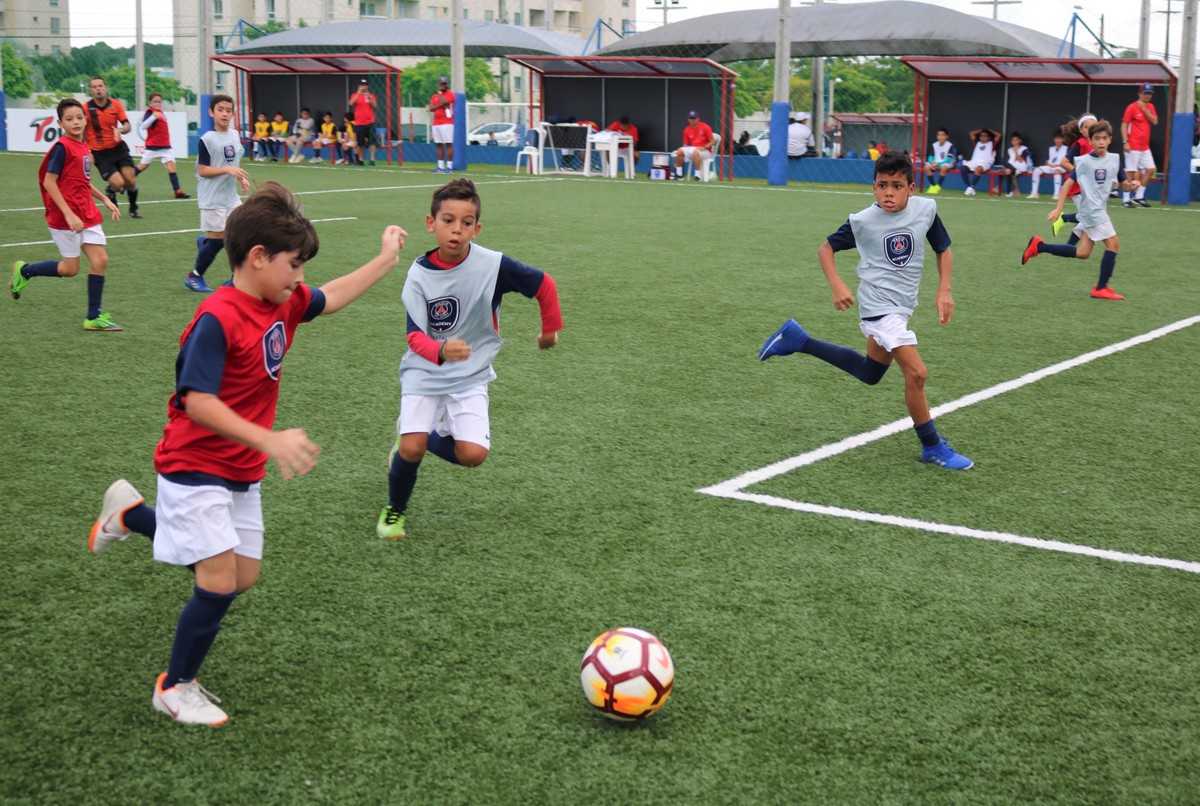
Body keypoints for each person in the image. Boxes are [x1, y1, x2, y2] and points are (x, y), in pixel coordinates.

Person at [87, 181, 408, 726]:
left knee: (241, 576)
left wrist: (384, 260)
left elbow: (330, 297)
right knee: (216, 582)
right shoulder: (218, 317)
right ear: (258, 257)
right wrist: (269, 439)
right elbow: (196, 401)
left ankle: (130, 515)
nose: (300, 278)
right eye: (294, 265)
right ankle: (174, 686)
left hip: (240, 469)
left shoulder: (282, 299)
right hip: (193, 463)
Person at [759, 151, 972, 471]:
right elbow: (825, 249)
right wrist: (837, 285)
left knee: (870, 372)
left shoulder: (926, 210)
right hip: (878, 307)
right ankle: (932, 446)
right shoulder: (862, 221)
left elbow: (943, 248)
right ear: (873, 187)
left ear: (911, 188)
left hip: (901, 307)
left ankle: (798, 340)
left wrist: (944, 289)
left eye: (897, 186)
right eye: (882, 185)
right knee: (917, 374)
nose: (889, 193)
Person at [377, 178, 563, 539]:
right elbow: (414, 336)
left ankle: (418, 436)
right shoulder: (418, 275)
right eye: (448, 220)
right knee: (412, 449)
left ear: (476, 229)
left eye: (466, 223)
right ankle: (395, 509)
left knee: (473, 454)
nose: (456, 230)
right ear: (431, 223)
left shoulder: (493, 266)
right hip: (424, 371)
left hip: (471, 373)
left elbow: (544, 285)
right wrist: (441, 350)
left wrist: (549, 331)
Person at [9, 98, 124, 331]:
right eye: (69, 119)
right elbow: (49, 182)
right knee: (70, 270)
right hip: (65, 218)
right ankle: (25, 271)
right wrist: (69, 214)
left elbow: (82, 181)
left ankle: (93, 317)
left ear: (85, 120)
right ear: (60, 123)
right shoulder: (62, 148)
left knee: (100, 260)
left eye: (79, 117)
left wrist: (104, 199)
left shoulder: (84, 147)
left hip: (86, 213)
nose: (76, 122)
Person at [1021, 119, 1138, 301]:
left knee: (1083, 252)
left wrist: (1132, 185)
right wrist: (1059, 209)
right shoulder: (1084, 162)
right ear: (1090, 141)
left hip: (1096, 210)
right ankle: (1101, 288)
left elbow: (1125, 186)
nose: (1101, 142)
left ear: (1110, 139)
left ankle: (1039, 246)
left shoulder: (1114, 160)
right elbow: (1067, 185)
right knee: (1113, 244)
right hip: (1092, 211)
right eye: (1097, 138)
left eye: (1104, 138)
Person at [184, 94, 249, 294]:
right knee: (219, 241)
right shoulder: (207, 139)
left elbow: (232, 163)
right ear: (211, 112)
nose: (225, 114)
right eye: (220, 110)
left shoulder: (235, 135)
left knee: (243, 232)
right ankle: (194, 276)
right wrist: (227, 170)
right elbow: (202, 170)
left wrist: (240, 177)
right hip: (212, 198)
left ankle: (235, 278)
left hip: (230, 196)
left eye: (228, 110)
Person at [85, 75, 141, 219]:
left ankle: (133, 208)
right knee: (119, 184)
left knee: (131, 179)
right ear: (91, 91)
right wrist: (86, 150)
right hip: (100, 154)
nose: (98, 89)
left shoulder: (115, 104)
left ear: (105, 88)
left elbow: (127, 125)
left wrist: (120, 130)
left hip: (118, 148)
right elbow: (80, 131)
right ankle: (111, 189)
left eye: (100, 86)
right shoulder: (85, 108)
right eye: (95, 87)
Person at [135, 92, 190, 199]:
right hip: (153, 147)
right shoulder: (150, 112)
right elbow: (143, 126)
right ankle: (123, 182)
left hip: (165, 147)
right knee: (142, 166)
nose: (157, 103)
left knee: (171, 166)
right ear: (150, 103)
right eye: (155, 101)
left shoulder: (161, 113)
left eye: (159, 101)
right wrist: (153, 117)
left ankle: (177, 191)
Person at [1050, 114, 1096, 240]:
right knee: (1088, 216)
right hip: (1078, 186)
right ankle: (1064, 219)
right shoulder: (1080, 144)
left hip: (1089, 187)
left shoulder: (1096, 144)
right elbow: (1064, 162)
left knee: (1087, 217)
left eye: (1092, 126)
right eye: (1086, 127)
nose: (1090, 129)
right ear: (1081, 130)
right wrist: (1080, 174)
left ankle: (1069, 245)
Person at [1121, 82, 1158, 208]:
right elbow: (1124, 124)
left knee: (1151, 169)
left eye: (1149, 93)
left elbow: (1155, 121)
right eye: (1145, 93)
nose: (1147, 96)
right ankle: (1126, 199)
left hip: (1144, 147)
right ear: (1139, 93)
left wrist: (1144, 110)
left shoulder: (1150, 106)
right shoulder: (1131, 107)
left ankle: (1138, 196)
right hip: (1133, 145)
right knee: (1130, 172)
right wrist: (1125, 142)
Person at [673, 110, 715, 180]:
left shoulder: (705, 127)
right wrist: (680, 154)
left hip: (706, 151)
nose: (692, 120)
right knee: (679, 151)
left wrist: (704, 147)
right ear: (688, 119)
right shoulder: (687, 129)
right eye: (691, 118)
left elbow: (713, 141)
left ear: (698, 119)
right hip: (694, 149)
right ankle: (679, 175)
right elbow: (685, 145)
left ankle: (697, 176)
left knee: (696, 152)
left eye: (694, 118)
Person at [958, 127, 1000, 196]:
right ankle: (970, 187)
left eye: (985, 136)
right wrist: (982, 130)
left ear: (989, 138)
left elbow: (998, 135)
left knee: (979, 169)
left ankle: (971, 187)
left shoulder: (992, 144)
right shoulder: (977, 143)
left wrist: (989, 130)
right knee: (963, 169)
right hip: (974, 161)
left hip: (985, 162)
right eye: (981, 136)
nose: (983, 137)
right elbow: (971, 133)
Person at [1027, 130, 1068, 200]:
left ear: (1063, 139)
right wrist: (1049, 164)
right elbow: (1047, 161)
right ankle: (1034, 193)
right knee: (1036, 171)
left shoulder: (1066, 148)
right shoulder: (1051, 149)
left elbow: (1067, 161)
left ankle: (1056, 194)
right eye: (1056, 138)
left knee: (1057, 171)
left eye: (1059, 138)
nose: (1057, 140)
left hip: (1061, 167)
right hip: (1050, 167)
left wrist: (1057, 165)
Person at [428, 76, 454, 173]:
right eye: (441, 84)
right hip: (436, 123)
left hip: (447, 123)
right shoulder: (434, 96)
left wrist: (440, 94)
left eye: (445, 84)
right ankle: (440, 166)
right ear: (438, 84)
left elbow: (445, 102)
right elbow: (431, 108)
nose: (443, 85)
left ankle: (449, 167)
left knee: (448, 144)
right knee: (439, 144)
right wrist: (440, 105)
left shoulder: (450, 94)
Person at [349, 79, 378, 166]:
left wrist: (368, 96)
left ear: (367, 86)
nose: (363, 86)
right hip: (359, 123)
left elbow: (375, 105)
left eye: (365, 85)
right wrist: (358, 94)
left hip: (370, 122)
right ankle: (361, 160)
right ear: (359, 86)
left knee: (372, 142)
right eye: (362, 85)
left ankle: (372, 160)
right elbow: (351, 103)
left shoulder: (371, 95)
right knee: (360, 143)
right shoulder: (354, 95)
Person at [922, 127, 957, 194]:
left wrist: (938, 164)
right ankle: (933, 185)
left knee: (944, 167)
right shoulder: (934, 145)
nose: (940, 137)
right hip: (936, 163)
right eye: (939, 135)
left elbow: (949, 159)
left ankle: (938, 186)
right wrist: (932, 162)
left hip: (948, 163)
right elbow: (930, 157)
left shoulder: (950, 145)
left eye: (942, 135)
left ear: (946, 136)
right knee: (926, 167)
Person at [999, 131, 1032, 197]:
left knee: (1009, 170)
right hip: (1013, 167)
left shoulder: (1024, 149)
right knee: (1005, 166)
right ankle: (1008, 192)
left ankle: (1009, 192)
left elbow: (1020, 160)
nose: (1015, 142)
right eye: (1013, 140)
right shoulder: (1010, 150)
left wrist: (1016, 151)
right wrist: (1006, 167)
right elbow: (1010, 161)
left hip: (1021, 166)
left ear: (1020, 140)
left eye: (1016, 140)